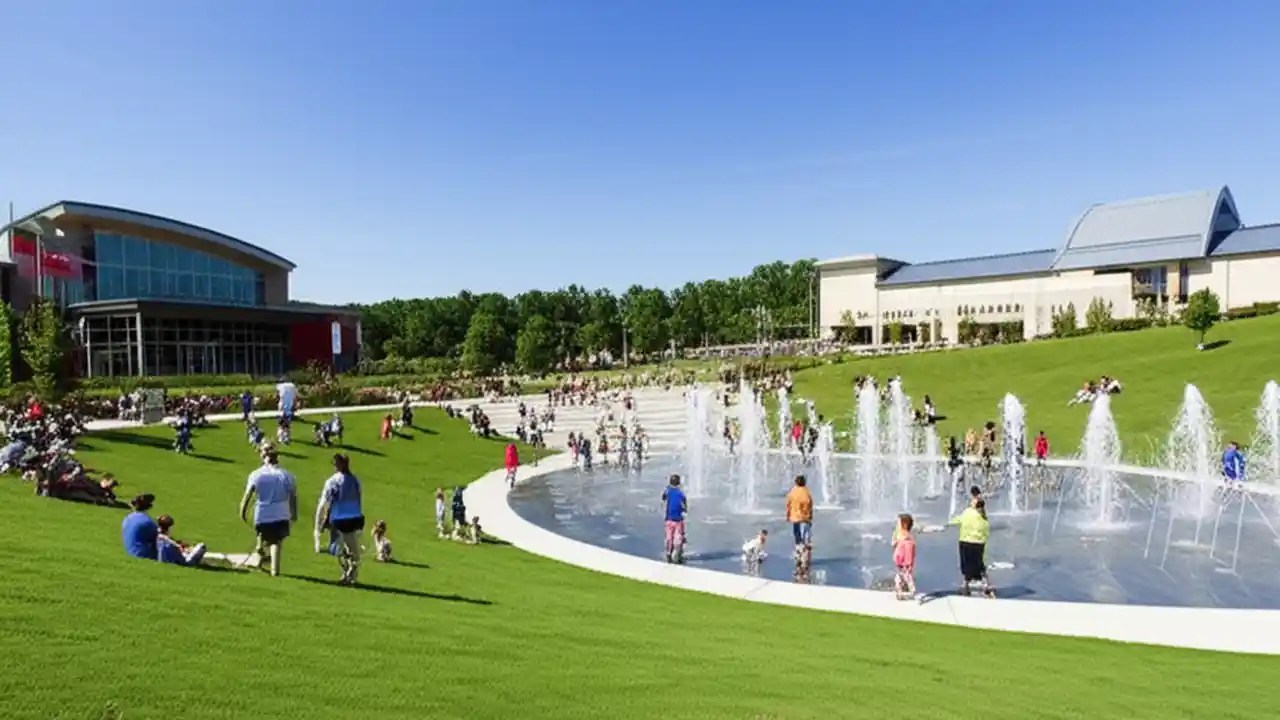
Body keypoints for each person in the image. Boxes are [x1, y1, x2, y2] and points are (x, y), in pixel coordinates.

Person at [239, 449, 298, 577]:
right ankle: (274, 569)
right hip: (281, 512)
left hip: (263, 513)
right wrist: (294, 513)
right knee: (276, 542)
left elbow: (248, 494)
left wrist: (242, 510)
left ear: (265, 458)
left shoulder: (256, 474)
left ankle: (260, 551)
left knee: (263, 535)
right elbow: (293, 496)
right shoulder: (286, 475)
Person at [314, 453, 365, 585]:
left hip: (339, 518)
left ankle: (347, 572)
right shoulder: (355, 480)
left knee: (338, 548)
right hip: (352, 517)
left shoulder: (333, 481)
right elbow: (359, 499)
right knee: (351, 546)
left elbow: (328, 501)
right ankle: (351, 573)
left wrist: (324, 519)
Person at [950, 498, 994, 598]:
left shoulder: (968, 512)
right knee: (979, 564)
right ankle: (986, 584)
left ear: (974, 505)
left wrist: (950, 520)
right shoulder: (983, 517)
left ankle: (966, 585)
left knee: (966, 565)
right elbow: (986, 532)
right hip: (979, 543)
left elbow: (957, 520)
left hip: (965, 541)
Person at [121, 493, 159, 560]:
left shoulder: (127, 518)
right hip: (141, 553)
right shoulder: (147, 522)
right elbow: (159, 537)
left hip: (129, 550)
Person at [785, 475, 814, 558]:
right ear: (804, 482)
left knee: (797, 534)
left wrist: (788, 515)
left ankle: (798, 550)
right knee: (806, 535)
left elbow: (788, 504)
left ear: (796, 482)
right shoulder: (806, 492)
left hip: (795, 517)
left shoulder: (792, 492)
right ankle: (805, 550)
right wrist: (810, 515)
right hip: (805, 517)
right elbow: (810, 504)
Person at [661, 474, 688, 564]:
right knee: (677, 538)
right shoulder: (678, 493)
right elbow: (684, 503)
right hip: (676, 520)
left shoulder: (671, 491)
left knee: (671, 538)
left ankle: (672, 554)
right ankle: (675, 554)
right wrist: (685, 510)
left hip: (672, 519)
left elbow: (663, 498)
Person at [892, 513, 917, 600]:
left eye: (899, 522)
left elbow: (895, 544)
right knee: (902, 575)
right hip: (902, 559)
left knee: (904, 575)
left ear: (904, 524)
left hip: (903, 559)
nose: (897, 524)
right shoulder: (902, 534)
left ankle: (909, 590)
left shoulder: (905, 535)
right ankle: (901, 592)